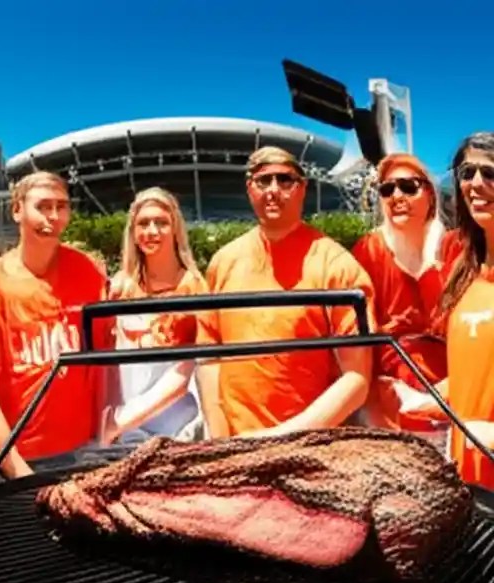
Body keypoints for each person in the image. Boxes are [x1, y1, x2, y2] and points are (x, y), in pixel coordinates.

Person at [196, 147, 373, 438]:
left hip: (313, 444)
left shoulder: (336, 265)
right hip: (233, 446)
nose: (273, 190)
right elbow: (209, 358)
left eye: (285, 180)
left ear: (302, 188)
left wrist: (283, 437)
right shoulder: (223, 262)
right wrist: (220, 440)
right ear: (249, 189)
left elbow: (357, 379)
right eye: (263, 181)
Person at [0, 171, 110, 478]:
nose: (53, 216)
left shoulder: (87, 274)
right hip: (14, 457)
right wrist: (18, 471)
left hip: (81, 452)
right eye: (42, 206)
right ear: (17, 210)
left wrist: (103, 438)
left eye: (61, 206)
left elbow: (104, 364)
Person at [349, 154, 449, 445]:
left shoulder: (454, 246)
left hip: (454, 389)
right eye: (387, 189)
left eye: (408, 187)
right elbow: (361, 334)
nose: (396, 196)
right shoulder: (370, 249)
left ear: (429, 193)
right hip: (392, 393)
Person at [99, 187, 207, 444]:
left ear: (175, 229)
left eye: (161, 223)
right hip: (125, 428)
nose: (152, 231)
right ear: (133, 232)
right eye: (143, 223)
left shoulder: (192, 287)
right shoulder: (121, 286)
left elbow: (187, 369)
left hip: (177, 427)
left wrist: (119, 421)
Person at [435, 133, 494, 487]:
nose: (475, 183)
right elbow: (476, 370)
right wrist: (433, 396)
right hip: (466, 482)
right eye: (467, 172)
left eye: (490, 173)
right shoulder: (464, 271)